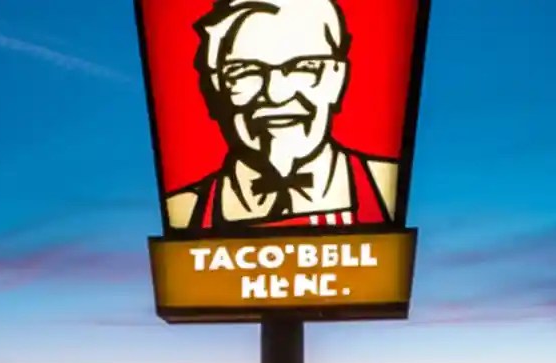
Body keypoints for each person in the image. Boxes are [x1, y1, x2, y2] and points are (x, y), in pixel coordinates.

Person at [165, 0, 399, 231]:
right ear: (216, 87)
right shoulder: (185, 210)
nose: (276, 94)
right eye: (246, 71)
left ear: (337, 79)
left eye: (305, 67)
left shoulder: (384, 184)